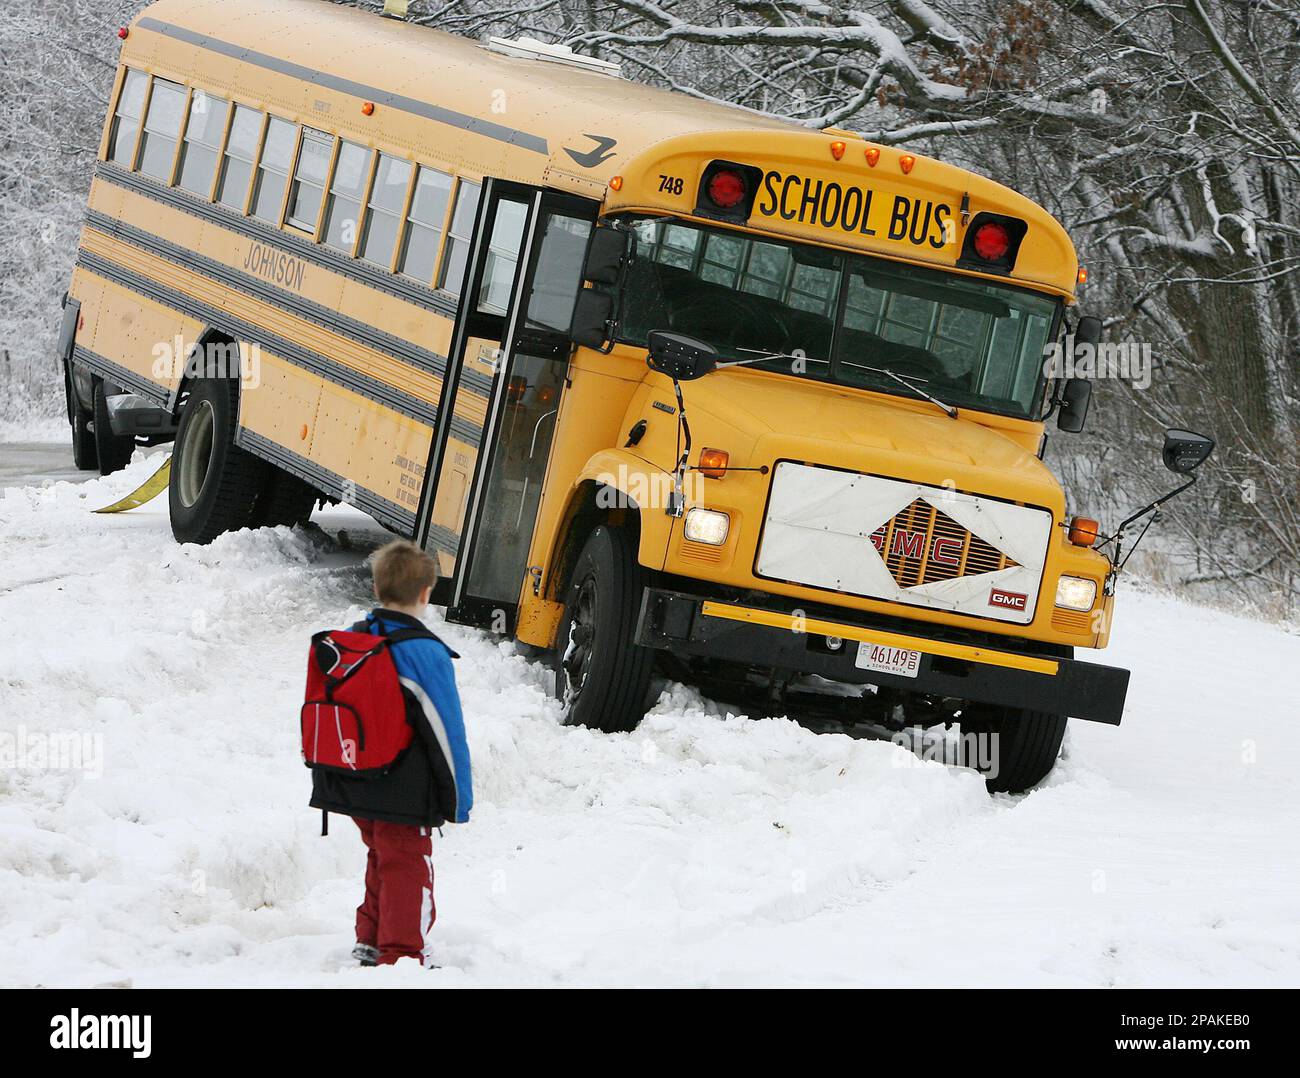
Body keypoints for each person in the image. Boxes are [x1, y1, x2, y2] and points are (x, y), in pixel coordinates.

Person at [309, 540, 472, 967]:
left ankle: (371, 939)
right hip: (404, 790)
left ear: (379, 589)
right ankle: (402, 953)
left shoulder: (355, 641)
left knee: (382, 856)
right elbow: (446, 730)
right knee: (408, 867)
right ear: (425, 593)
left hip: (356, 781)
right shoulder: (425, 652)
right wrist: (459, 798)